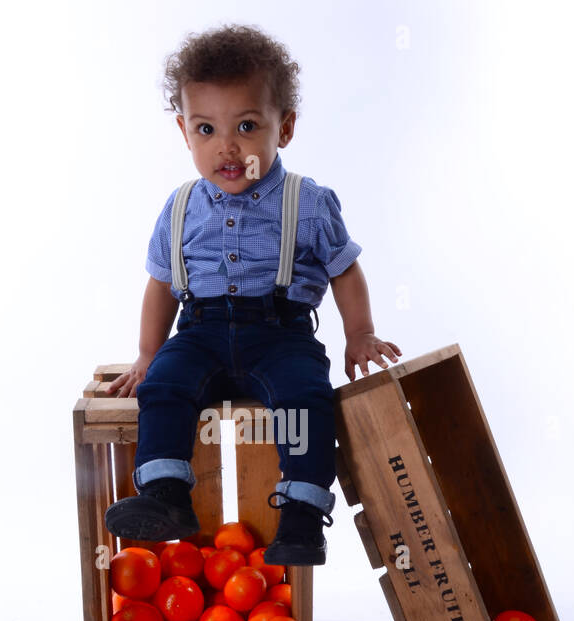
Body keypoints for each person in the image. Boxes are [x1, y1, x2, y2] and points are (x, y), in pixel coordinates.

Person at [104, 24, 400, 565]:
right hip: (201, 332)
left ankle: (303, 516)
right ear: (184, 133)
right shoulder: (180, 207)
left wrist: (359, 333)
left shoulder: (307, 202)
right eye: (206, 129)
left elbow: (345, 271)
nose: (228, 146)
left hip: (280, 335)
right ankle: (166, 493)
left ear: (283, 129)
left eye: (246, 125)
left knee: (305, 401)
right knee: (166, 386)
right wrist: (148, 354)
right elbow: (162, 285)